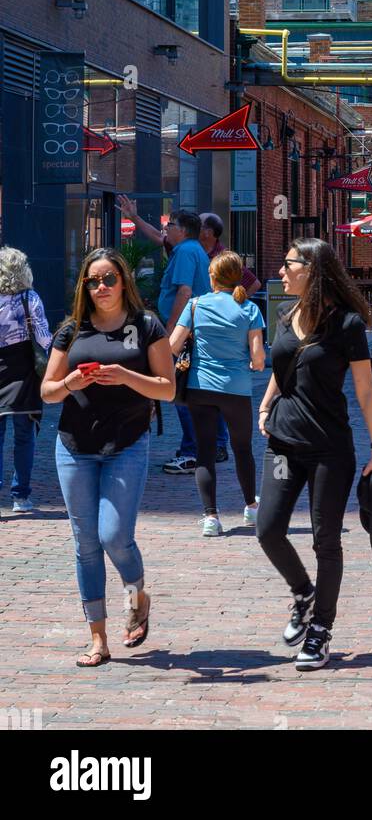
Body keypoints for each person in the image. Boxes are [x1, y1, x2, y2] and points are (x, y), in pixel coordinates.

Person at [256, 239, 372, 671]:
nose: (281, 271)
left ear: (312, 270)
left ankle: (321, 631)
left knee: (325, 540)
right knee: (268, 528)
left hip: (330, 450)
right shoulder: (283, 316)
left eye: (288, 264)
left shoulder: (346, 324)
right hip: (282, 443)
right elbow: (282, 367)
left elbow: (366, 391)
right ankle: (303, 594)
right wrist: (265, 404)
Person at [41, 248, 174, 667]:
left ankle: (137, 594)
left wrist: (126, 377)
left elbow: (167, 389)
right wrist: (70, 381)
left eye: (109, 279)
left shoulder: (146, 325)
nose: (101, 287)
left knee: (114, 535)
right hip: (74, 447)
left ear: (123, 282)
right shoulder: (72, 330)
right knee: (85, 544)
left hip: (127, 444)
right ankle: (97, 638)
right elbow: (47, 391)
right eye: (93, 281)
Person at [117, 198, 231, 470]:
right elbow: (158, 237)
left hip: (186, 332)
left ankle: (193, 451)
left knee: (181, 392)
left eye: (171, 224)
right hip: (196, 329)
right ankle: (215, 444)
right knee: (200, 390)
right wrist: (134, 217)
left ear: (184, 230)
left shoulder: (184, 252)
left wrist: (170, 333)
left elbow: (184, 291)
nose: (166, 228)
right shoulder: (190, 248)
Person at [169, 250, 266, 536]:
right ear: (238, 277)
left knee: (205, 452)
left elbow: (174, 346)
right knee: (242, 448)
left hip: (200, 386)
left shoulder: (196, 306)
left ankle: (211, 516)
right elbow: (259, 359)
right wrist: (248, 362)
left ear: (212, 277)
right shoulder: (249, 309)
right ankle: (251, 506)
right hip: (236, 388)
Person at [0, 248, 52, 514]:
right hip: (23, 373)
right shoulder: (28, 298)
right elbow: (44, 339)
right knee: (24, 436)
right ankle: (20, 496)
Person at [199, 213, 262, 296]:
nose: (192, 228)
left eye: (198, 225)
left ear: (208, 232)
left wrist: (235, 304)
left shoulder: (223, 258)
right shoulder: (194, 250)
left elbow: (254, 284)